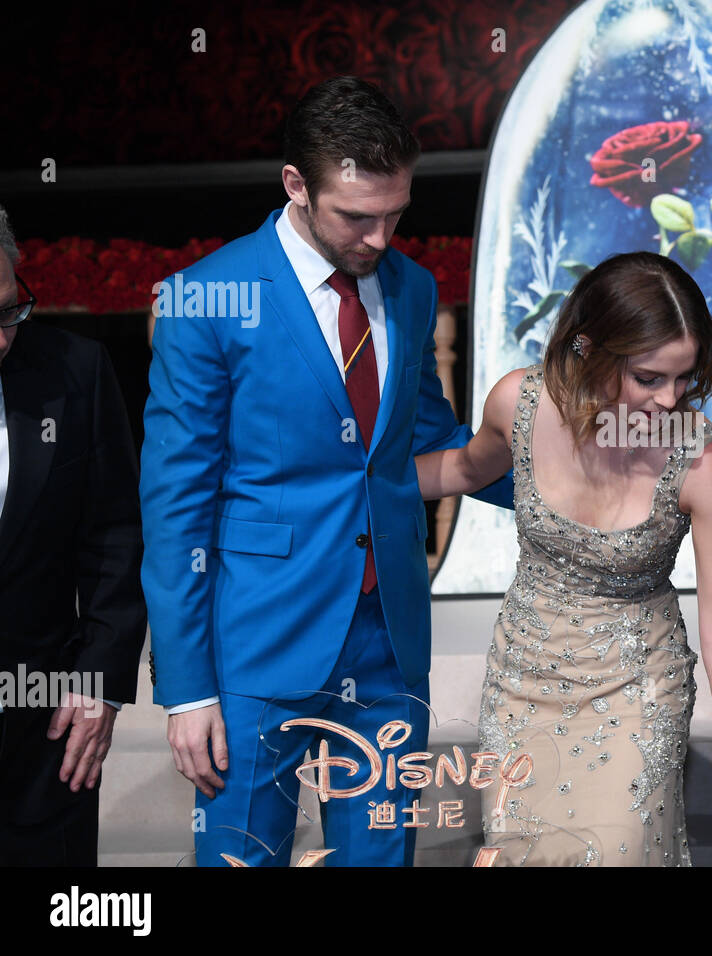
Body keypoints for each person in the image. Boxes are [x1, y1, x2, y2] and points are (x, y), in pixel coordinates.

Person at [141, 76, 512, 867]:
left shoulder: (411, 288)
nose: (380, 238)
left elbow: (430, 437)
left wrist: (577, 492)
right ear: (296, 186)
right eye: (356, 216)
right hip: (254, 643)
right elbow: (175, 505)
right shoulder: (205, 300)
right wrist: (189, 689)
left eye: (396, 214)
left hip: (387, 639)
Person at [415, 251, 712, 866]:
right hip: (523, 683)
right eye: (649, 378)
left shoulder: (702, 461)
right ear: (587, 348)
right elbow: (460, 467)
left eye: (683, 378)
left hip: (638, 689)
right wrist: (347, 481)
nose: (670, 401)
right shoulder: (519, 403)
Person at [0, 204, 147, 865]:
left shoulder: (75, 370)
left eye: (8, 309)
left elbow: (115, 536)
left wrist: (101, 681)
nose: (1, 337)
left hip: (45, 739)